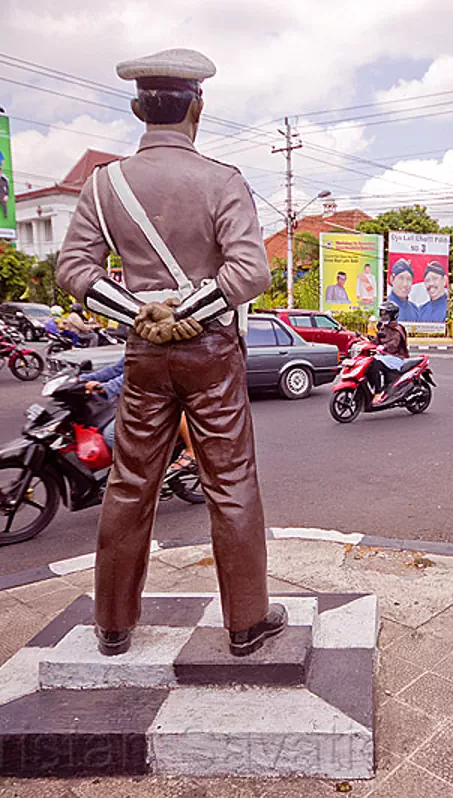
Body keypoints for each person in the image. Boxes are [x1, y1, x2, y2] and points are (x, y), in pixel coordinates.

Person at [55, 47, 281, 658]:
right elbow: (251, 272)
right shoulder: (223, 181)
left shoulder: (104, 184)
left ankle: (113, 626)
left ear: (139, 110)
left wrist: (142, 315)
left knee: (130, 482)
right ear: (197, 108)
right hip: (211, 352)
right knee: (230, 482)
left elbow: (73, 269)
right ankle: (246, 623)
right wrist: (187, 314)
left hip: (145, 354)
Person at [370, 299, 409, 403]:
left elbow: (394, 343)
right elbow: (376, 340)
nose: (383, 315)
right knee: (367, 363)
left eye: (385, 313)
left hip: (395, 357)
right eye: (382, 313)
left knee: (374, 364)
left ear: (392, 315)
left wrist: (384, 347)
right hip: (384, 355)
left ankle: (378, 392)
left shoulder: (397, 329)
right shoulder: (383, 326)